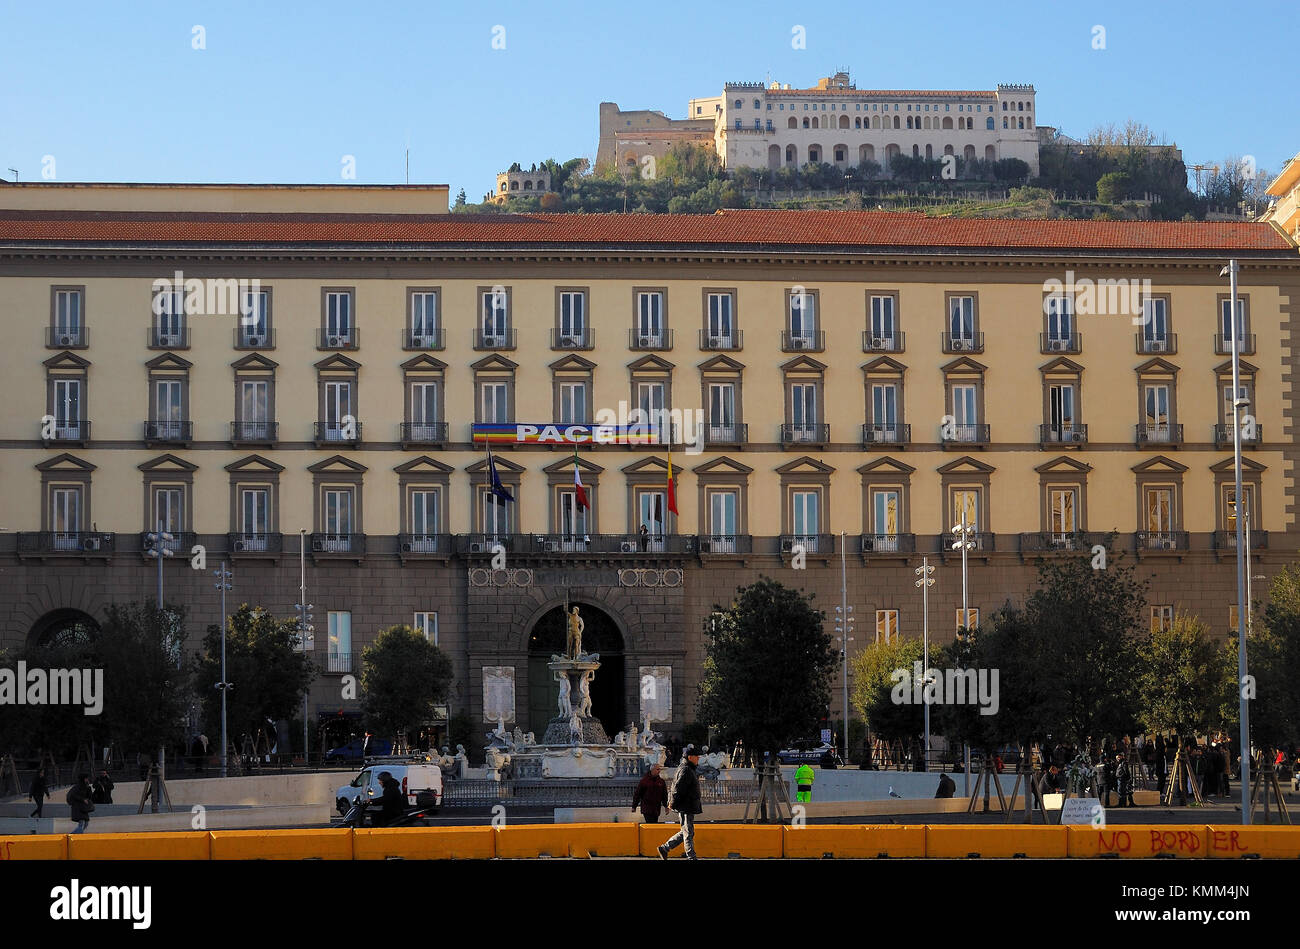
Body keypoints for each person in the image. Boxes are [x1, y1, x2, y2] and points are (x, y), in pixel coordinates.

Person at [659, 746, 702, 860]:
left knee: (686, 831)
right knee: (688, 832)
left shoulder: (688, 768)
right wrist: (671, 803)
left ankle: (665, 848)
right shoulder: (686, 770)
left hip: (688, 805)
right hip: (686, 805)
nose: (698, 758)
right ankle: (691, 856)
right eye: (696, 756)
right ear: (690, 757)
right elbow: (678, 788)